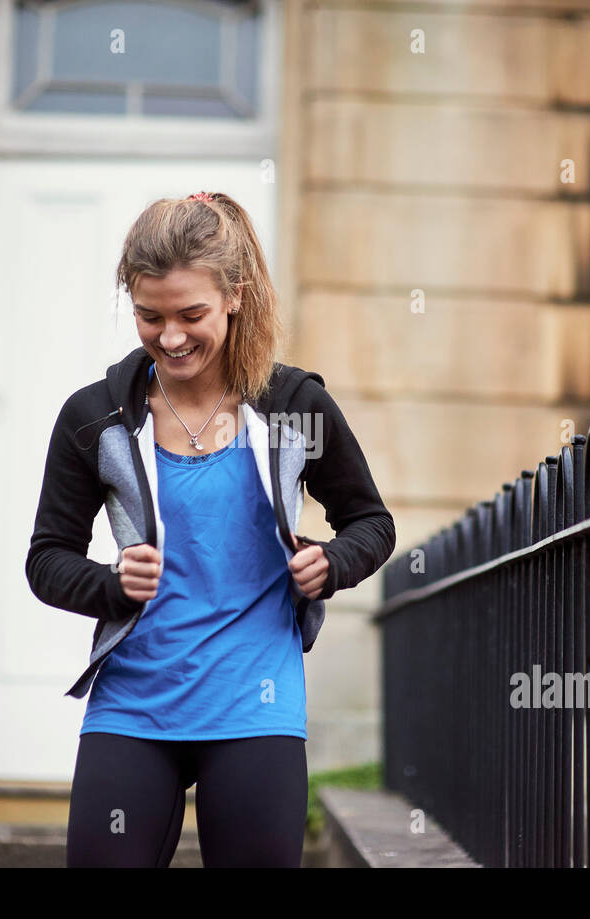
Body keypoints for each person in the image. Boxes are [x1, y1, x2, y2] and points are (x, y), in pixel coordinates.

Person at [25, 190, 396, 867]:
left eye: (191, 313)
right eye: (149, 315)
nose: (170, 336)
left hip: (255, 703)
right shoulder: (95, 417)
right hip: (134, 704)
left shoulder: (294, 406)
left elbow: (371, 522)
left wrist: (331, 563)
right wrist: (111, 584)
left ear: (235, 295)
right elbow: (47, 559)